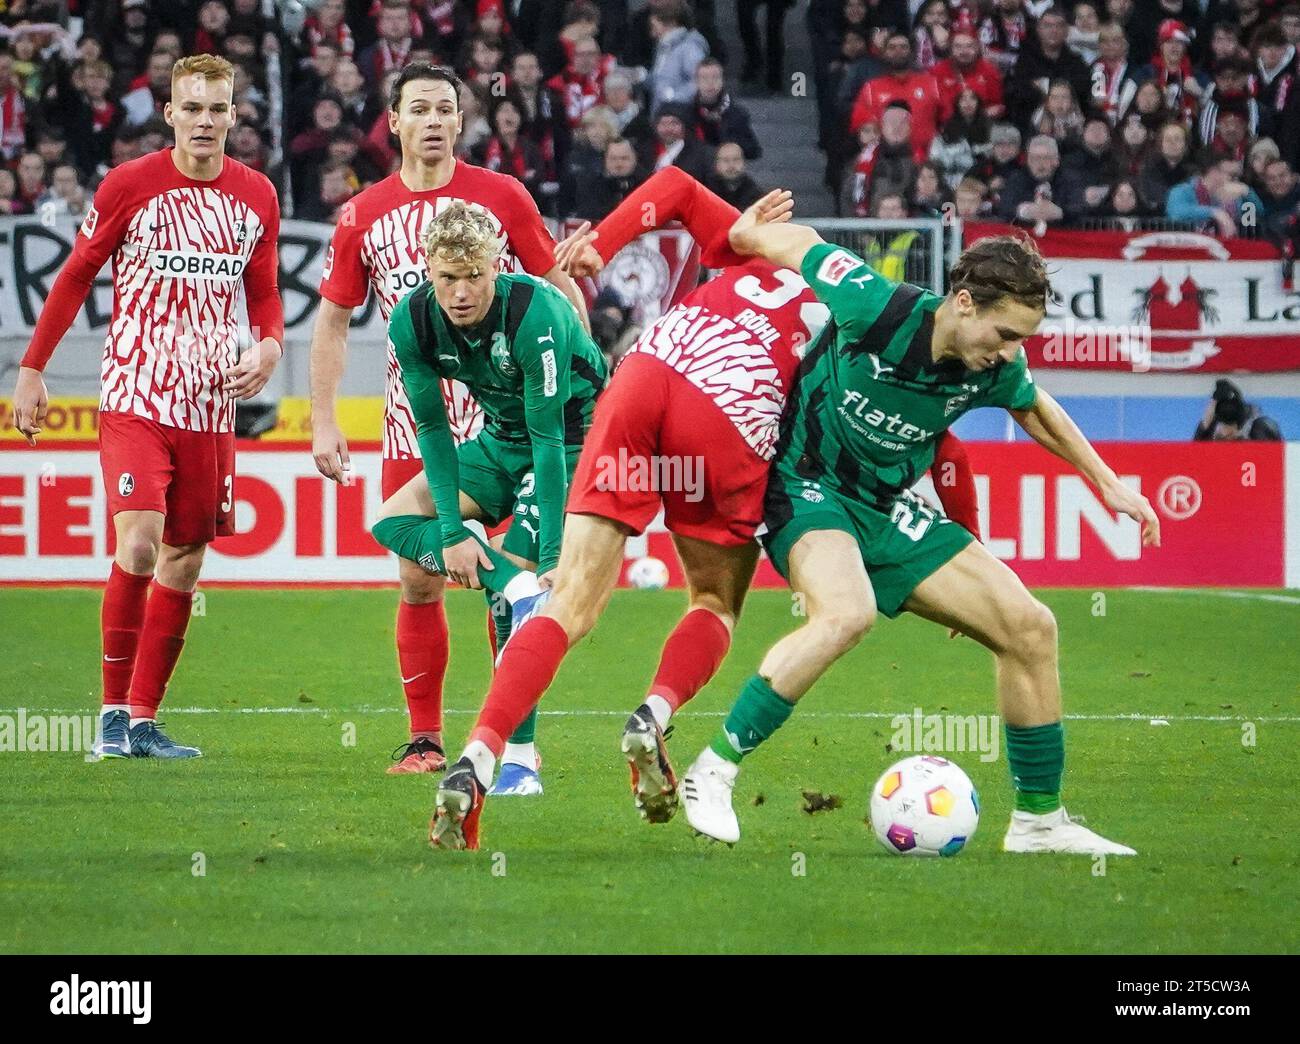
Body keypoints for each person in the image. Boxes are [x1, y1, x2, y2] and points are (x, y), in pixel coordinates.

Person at [424, 168, 980, 850]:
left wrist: (603, 239)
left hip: (643, 373)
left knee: (568, 601)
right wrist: (966, 538)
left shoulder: (754, 242)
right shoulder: (876, 316)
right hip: (726, 409)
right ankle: (654, 714)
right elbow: (945, 439)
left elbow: (680, 188)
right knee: (713, 599)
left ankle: (479, 755)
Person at [680, 216, 1160, 854]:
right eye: (1006, 334)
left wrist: (1106, 483)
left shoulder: (991, 365)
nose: (1010, 351)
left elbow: (1033, 405)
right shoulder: (874, 305)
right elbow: (797, 246)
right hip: (806, 488)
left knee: (1029, 627)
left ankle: (1039, 823)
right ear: (963, 303)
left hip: (886, 505)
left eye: (1023, 339)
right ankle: (712, 771)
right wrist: (744, 234)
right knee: (846, 614)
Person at [310, 64, 590, 782]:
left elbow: (554, 288)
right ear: (394, 122)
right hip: (420, 418)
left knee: (517, 577)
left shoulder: (503, 196)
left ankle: (513, 746)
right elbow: (335, 320)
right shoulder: (363, 213)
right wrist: (323, 416)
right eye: (420, 109)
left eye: (446, 109)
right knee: (419, 574)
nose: (434, 121)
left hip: (518, 416)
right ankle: (427, 737)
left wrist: (578, 373)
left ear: (460, 122)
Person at [9, 54, 283, 761]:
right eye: (191, 107)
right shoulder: (130, 185)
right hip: (135, 392)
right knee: (139, 542)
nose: (204, 120)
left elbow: (265, 294)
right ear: (169, 113)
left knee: (185, 561)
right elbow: (75, 276)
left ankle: (142, 720)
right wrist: (32, 369)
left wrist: (271, 350)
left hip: (210, 404)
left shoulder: (256, 196)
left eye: (216, 108)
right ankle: (107, 718)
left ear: (232, 115)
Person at [372, 202, 607, 845]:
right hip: (499, 440)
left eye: (473, 274)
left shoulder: (535, 313)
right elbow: (432, 431)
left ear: (497, 267)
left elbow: (550, 434)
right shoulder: (413, 319)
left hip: (576, 441)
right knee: (392, 520)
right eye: (447, 276)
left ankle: (522, 763)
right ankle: (512, 581)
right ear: (428, 270)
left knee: (528, 579)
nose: (460, 291)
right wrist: (450, 529)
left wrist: (556, 553)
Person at [1193, 379, 1283, 441]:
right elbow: (1195, 455)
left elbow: (1272, 461)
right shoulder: (1211, 427)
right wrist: (1204, 426)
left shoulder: (1261, 428)